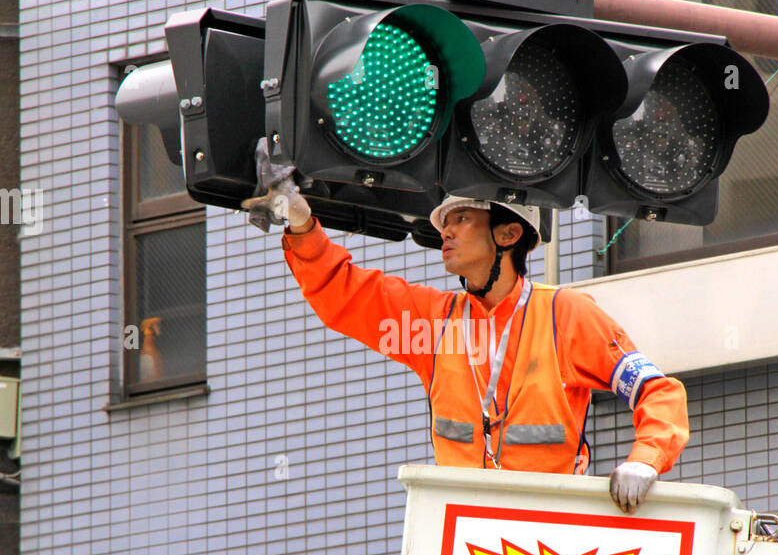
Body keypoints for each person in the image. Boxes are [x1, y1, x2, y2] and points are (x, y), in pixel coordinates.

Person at [243, 144, 688, 513]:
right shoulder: (433, 323)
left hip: (552, 544)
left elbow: (657, 390)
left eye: (461, 219)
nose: (446, 234)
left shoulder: (567, 315)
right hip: (464, 547)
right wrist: (299, 218)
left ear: (508, 235)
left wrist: (646, 460)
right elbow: (342, 294)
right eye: (446, 222)